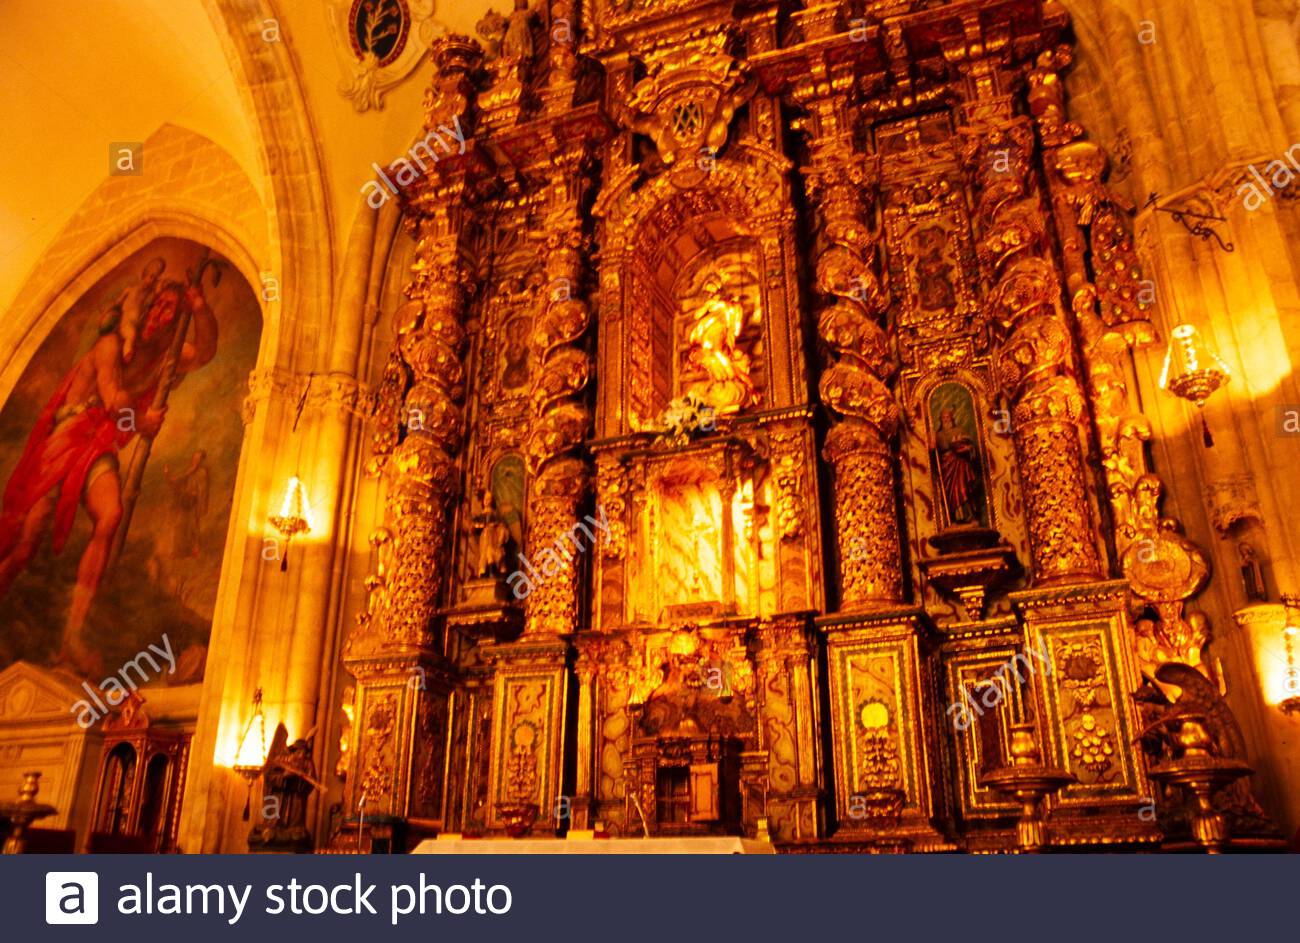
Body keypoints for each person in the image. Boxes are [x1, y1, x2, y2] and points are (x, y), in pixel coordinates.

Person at [0, 276, 218, 672]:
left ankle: (73, 635)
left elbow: (204, 351)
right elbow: (113, 396)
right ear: (147, 309)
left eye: (171, 310)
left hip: (97, 445)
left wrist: (200, 308)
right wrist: (142, 420)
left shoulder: (165, 357)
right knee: (27, 541)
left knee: (112, 516)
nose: (161, 315)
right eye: (157, 307)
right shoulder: (111, 345)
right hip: (67, 437)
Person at [933, 407, 982, 526]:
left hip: (960, 464)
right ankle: (954, 518)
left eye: (948, 417)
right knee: (951, 492)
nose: (946, 420)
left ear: (951, 418)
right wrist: (931, 448)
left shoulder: (959, 430)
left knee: (963, 489)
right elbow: (935, 454)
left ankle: (971, 516)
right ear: (941, 420)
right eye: (943, 418)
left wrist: (968, 448)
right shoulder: (938, 435)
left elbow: (969, 445)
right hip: (947, 465)